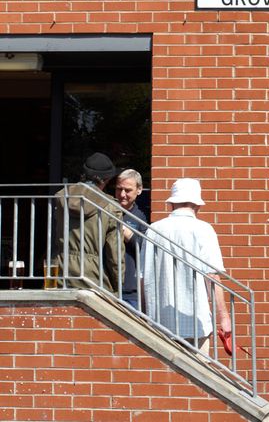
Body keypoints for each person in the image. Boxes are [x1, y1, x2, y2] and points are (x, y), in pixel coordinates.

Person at [142, 178, 231, 354]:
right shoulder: (203, 230)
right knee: (200, 373)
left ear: (172, 204)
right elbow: (212, 276)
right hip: (195, 320)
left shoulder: (153, 229)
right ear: (197, 205)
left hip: (160, 320)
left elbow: (144, 276)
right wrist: (224, 317)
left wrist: (144, 313)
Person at [54, 152, 125, 291]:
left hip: (61, 272)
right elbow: (115, 252)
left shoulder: (61, 196)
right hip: (92, 276)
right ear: (105, 180)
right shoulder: (110, 206)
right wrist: (118, 283)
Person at [115, 169, 149, 309]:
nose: (122, 195)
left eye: (127, 190)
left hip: (131, 292)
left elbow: (147, 249)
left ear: (139, 190)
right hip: (108, 287)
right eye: (119, 189)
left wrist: (131, 236)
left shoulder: (142, 218)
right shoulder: (107, 210)